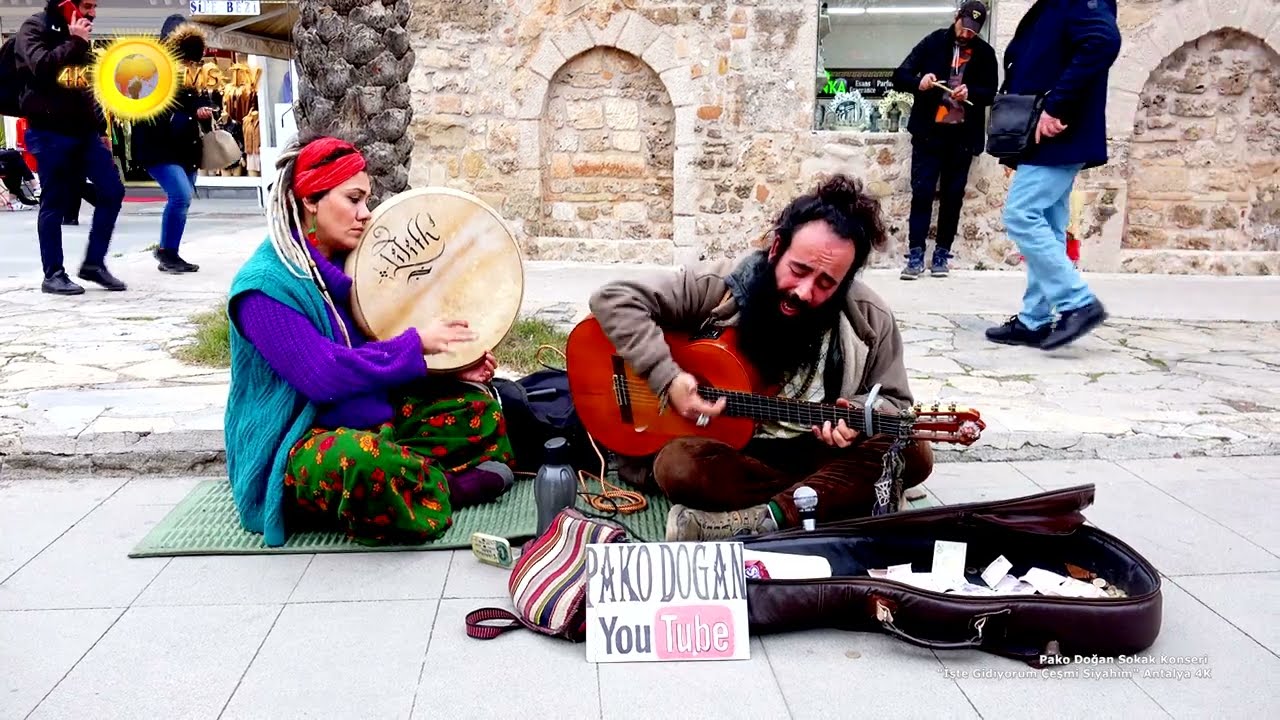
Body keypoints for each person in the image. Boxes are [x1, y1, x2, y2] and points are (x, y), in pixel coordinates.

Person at [588, 174, 934, 542]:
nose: (804, 291)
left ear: (845, 280)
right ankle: (831, 498)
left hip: (817, 453)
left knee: (915, 450)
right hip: (735, 456)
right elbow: (613, 298)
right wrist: (668, 378)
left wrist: (859, 414)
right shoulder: (721, 286)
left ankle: (765, 517)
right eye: (798, 270)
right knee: (678, 466)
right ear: (776, 249)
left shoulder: (870, 317)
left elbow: (896, 401)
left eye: (825, 283)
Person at [223, 135, 517, 548]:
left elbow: (371, 356)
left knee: (473, 406)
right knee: (361, 458)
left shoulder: (349, 267)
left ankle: (406, 476)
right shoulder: (263, 289)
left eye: (367, 201)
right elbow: (323, 375)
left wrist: (452, 370)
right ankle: (447, 487)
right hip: (298, 444)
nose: (365, 214)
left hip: (373, 418)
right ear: (309, 199)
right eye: (353, 199)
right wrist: (415, 347)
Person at [986, 0, 1120, 351]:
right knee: (1048, 221)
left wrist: (1057, 106)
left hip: (1057, 133)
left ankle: (1077, 302)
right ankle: (1035, 320)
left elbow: (1103, 41)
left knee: (1022, 214)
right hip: (1047, 136)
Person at [15, 0, 127, 295]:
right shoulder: (34, 27)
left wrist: (101, 129)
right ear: (66, 4)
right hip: (49, 132)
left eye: (95, 6)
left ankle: (94, 263)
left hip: (84, 134)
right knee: (54, 202)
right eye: (87, 5)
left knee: (112, 191)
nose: (92, 12)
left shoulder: (80, 39)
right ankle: (53, 274)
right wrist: (75, 41)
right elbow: (41, 67)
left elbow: (83, 87)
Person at [892, 0, 997, 280]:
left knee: (953, 197)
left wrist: (970, 91)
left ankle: (941, 254)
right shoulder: (934, 41)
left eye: (973, 31)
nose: (966, 34)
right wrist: (920, 82)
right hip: (929, 135)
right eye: (964, 27)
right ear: (956, 18)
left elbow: (991, 93)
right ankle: (915, 254)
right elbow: (899, 75)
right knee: (923, 192)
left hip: (962, 138)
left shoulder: (986, 53)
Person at [129, 14, 213, 273]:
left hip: (187, 147)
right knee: (181, 195)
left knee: (182, 200)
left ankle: (169, 252)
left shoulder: (194, 73)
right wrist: (177, 115)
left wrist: (204, 113)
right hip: (158, 147)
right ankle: (167, 253)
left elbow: (204, 102)